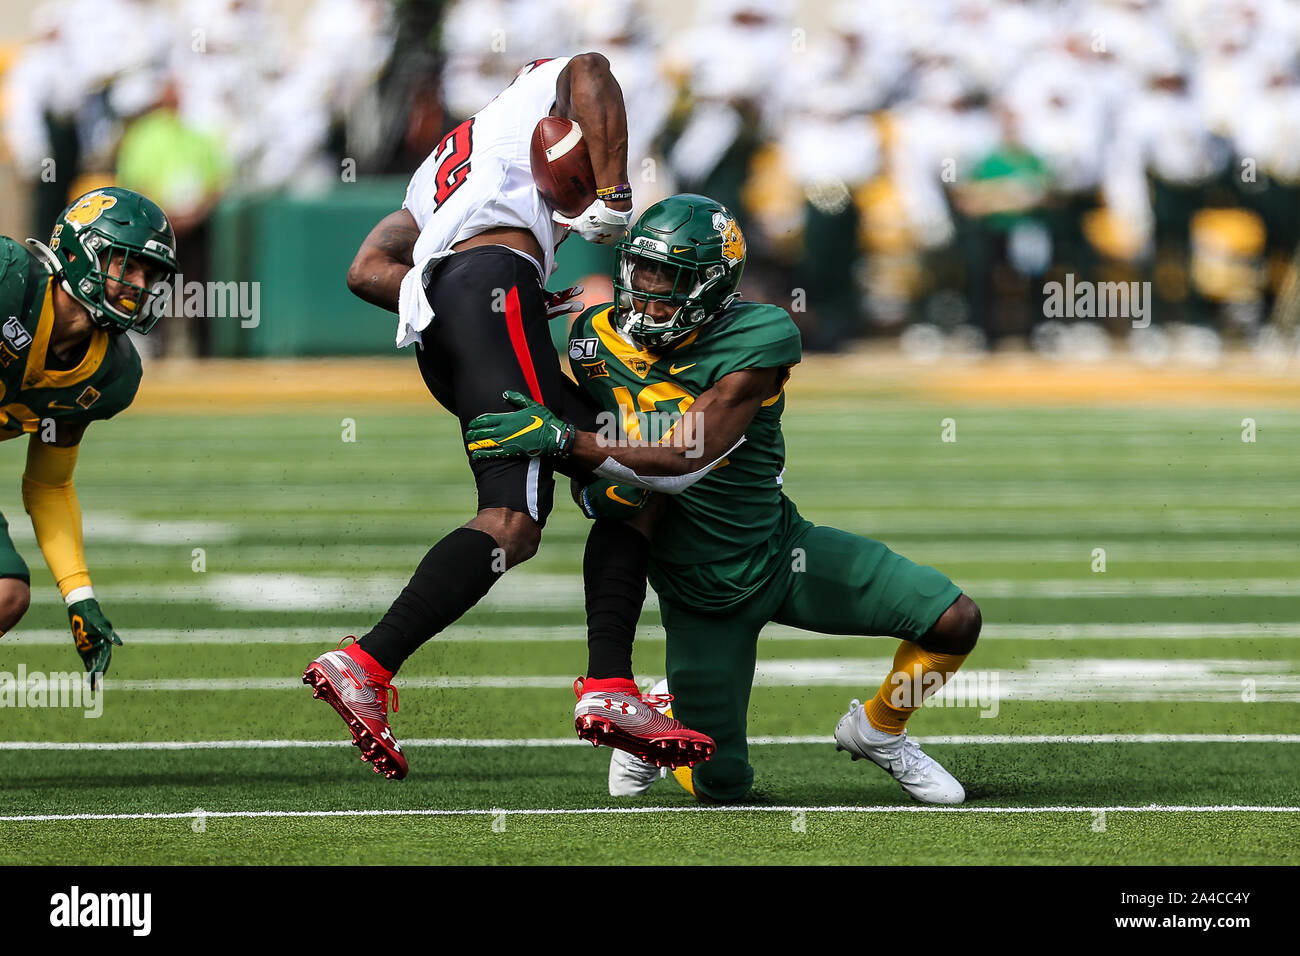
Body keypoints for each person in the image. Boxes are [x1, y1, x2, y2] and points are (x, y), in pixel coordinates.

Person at [464, 193, 981, 803]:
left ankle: (881, 730)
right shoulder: (593, 337)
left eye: (669, 278)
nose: (649, 292)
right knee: (722, 785)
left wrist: (564, 442)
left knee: (954, 619)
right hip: (699, 595)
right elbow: (580, 419)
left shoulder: (758, 335)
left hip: (782, 551)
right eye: (642, 272)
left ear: (711, 285)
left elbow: (683, 460)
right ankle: (663, 709)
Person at [303, 54, 713, 780]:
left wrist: (468, 304)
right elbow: (590, 68)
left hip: (452, 320)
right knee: (513, 521)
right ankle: (368, 662)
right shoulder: (545, 88)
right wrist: (613, 193)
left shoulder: (445, 164)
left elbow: (366, 270)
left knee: (624, 481)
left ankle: (613, 688)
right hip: (491, 287)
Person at [0, 186, 178, 684]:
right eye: (128, 265)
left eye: (151, 274)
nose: (139, 285)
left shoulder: (108, 375)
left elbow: (49, 484)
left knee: (6, 593)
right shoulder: (8, 278)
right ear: (83, 251)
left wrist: (79, 595)